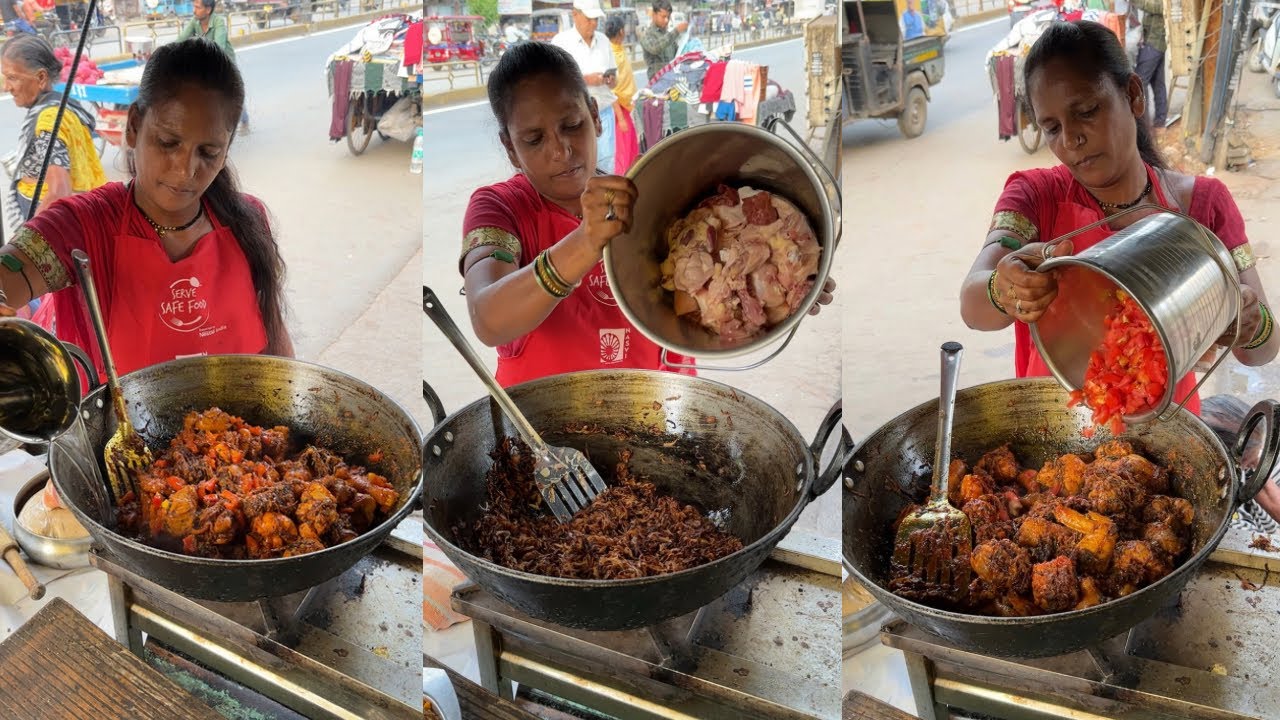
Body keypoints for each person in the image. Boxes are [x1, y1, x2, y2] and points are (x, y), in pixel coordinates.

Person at [459, 42, 833, 386]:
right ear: (510, 148)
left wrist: (789, 288)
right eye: (534, 139)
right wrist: (586, 241)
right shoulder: (501, 207)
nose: (561, 151)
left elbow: (704, 308)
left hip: (661, 418)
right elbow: (488, 320)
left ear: (595, 116)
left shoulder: (643, 195)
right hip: (546, 434)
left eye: (572, 126)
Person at [959, 21, 1277, 418]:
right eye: (1052, 127)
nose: (1071, 139)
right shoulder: (1035, 196)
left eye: (1087, 111)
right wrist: (1004, 287)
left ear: (1133, 95)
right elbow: (973, 307)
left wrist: (1248, 322)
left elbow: (1263, 348)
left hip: (1169, 438)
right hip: (1054, 430)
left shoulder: (1201, 204)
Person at [0, 38, 293, 381]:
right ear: (135, 126)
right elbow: (12, 270)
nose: (185, 171)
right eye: (169, 143)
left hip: (241, 430)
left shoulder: (248, 220)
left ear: (226, 150)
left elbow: (278, 348)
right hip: (124, 433)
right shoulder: (80, 227)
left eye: (208, 153)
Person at [1, 35, 107, 221]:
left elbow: (59, 191)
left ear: (41, 77)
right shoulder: (61, 106)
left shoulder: (49, 121)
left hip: (56, 224)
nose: (6, 87)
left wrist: (27, 241)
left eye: (12, 78)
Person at [551, 0, 617, 174]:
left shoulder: (603, 41)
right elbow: (554, 82)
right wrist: (586, 80)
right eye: (589, 18)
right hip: (574, 118)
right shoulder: (561, 42)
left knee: (606, 165)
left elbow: (614, 80)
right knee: (580, 165)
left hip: (603, 112)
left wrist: (610, 80)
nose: (593, 23)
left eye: (596, 19)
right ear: (575, 15)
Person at [178, 0, 249, 134]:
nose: (194, 10)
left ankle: (244, 120)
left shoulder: (218, 22)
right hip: (206, 62)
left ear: (208, 9)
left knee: (232, 94)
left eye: (197, 7)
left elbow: (219, 47)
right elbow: (181, 39)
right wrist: (166, 52)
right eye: (194, 7)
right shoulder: (195, 21)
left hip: (225, 62)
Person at [604, 14, 640, 175]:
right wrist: (620, 118)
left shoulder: (618, 49)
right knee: (623, 155)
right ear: (620, 31)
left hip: (626, 107)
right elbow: (611, 91)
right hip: (618, 111)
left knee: (631, 148)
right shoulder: (611, 55)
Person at [1131, 0, 1167, 132]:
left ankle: (1144, 123)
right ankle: (1160, 121)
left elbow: (1160, 7)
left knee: (1139, 81)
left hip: (1155, 42)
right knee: (1158, 83)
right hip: (1154, 42)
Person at [639, 0, 686, 79]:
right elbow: (655, 48)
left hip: (672, 78)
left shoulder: (668, 35)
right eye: (663, 17)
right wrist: (676, 31)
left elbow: (678, 54)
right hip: (657, 82)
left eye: (668, 17)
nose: (666, 20)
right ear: (654, 15)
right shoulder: (646, 34)